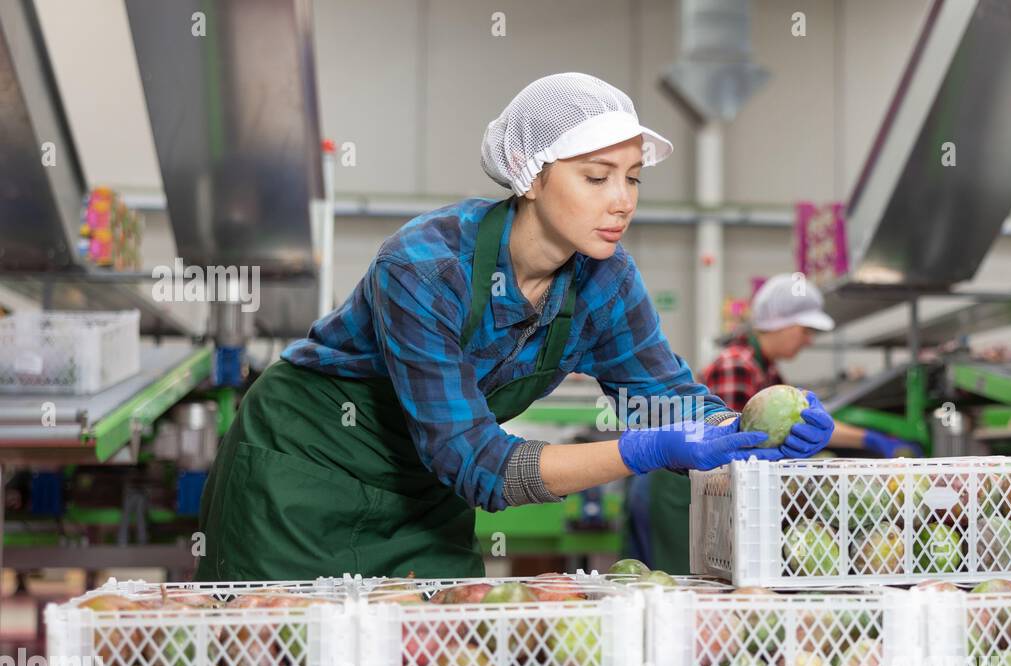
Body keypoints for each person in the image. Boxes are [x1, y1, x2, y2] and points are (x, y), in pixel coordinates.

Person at [195, 73, 834, 581]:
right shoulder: (423, 267)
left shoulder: (605, 281)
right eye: (596, 177)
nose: (623, 201)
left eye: (633, 178)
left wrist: (747, 430)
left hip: (425, 496)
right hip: (304, 472)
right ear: (530, 176)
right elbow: (475, 461)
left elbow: (660, 402)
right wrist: (644, 450)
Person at [628, 273, 919, 574]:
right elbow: (734, 438)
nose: (809, 340)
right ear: (780, 324)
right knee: (675, 582)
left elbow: (791, 426)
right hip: (675, 487)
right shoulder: (737, 365)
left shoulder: (766, 371)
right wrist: (870, 440)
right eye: (805, 330)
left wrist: (870, 439)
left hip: (695, 484)